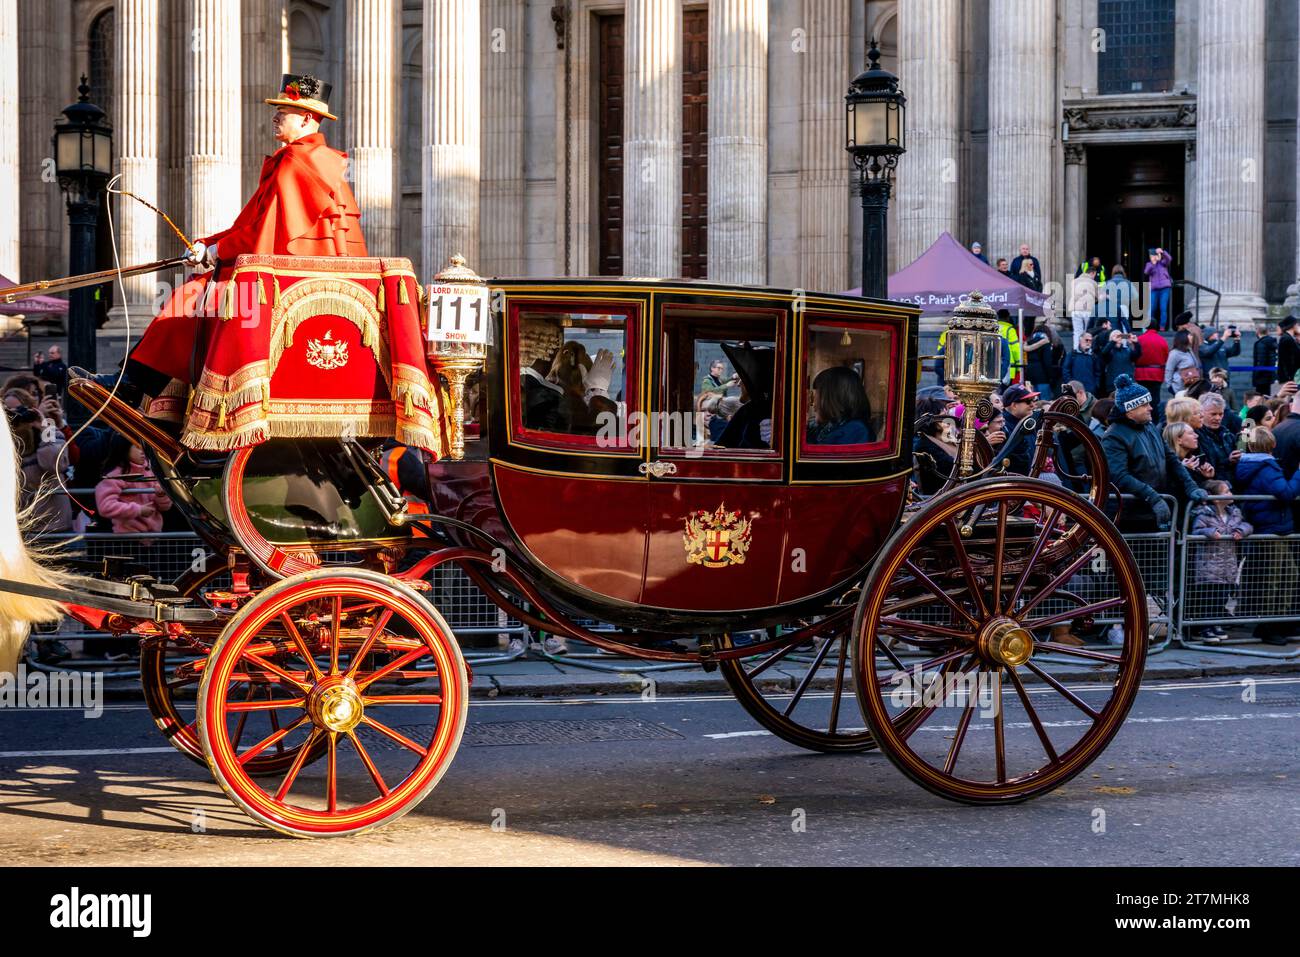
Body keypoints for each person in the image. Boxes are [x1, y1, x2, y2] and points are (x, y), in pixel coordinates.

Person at [76, 74, 368, 405]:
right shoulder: (314, 159)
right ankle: (138, 387)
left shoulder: (295, 162)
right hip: (293, 277)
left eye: (283, 112)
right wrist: (208, 244)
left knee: (190, 298)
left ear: (305, 118)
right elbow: (253, 224)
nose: (275, 117)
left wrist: (215, 251)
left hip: (279, 281)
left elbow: (264, 233)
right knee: (192, 296)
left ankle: (134, 386)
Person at [1101, 375, 1206, 531]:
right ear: (1130, 411)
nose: (1150, 408)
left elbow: (1171, 459)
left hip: (1153, 510)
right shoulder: (1113, 436)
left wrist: (1191, 486)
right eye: (1144, 405)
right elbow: (1119, 475)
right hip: (1129, 516)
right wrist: (1152, 497)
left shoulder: (1149, 427)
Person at [1232, 427, 1300, 644]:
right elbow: (1286, 493)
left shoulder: (1252, 464)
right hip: (1272, 528)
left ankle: (1276, 622)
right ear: (1272, 445)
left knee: (1286, 575)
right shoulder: (1266, 467)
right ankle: (1269, 625)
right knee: (1275, 578)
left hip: (1271, 526)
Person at [1188, 480, 1251, 643]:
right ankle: (1205, 627)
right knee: (1209, 598)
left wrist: (1241, 531)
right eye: (1226, 491)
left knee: (1223, 596)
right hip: (1209, 565)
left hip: (1228, 565)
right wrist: (1210, 532)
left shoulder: (1235, 513)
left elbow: (1247, 525)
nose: (1231, 493)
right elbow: (1196, 531)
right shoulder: (1204, 514)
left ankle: (1215, 623)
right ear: (1216, 498)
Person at [93, 438, 172, 535]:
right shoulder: (115, 476)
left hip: (153, 535)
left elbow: (165, 507)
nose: (143, 451)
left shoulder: (150, 472)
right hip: (127, 536)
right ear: (125, 449)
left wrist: (161, 495)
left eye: (144, 447)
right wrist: (138, 510)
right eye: (138, 447)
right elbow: (106, 506)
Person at [807, 366, 874, 445]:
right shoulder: (828, 426)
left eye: (816, 396)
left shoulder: (855, 430)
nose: (813, 404)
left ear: (832, 400)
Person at [1197, 393, 1242, 485]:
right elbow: (1205, 467)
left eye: (1221, 414)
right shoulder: (1196, 436)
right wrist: (1228, 461)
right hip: (1212, 487)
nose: (1218, 418)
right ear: (1201, 413)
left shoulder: (1228, 435)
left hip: (1232, 485)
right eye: (1213, 414)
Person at [999, 383, 1039, 474]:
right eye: (1028, 401)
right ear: (1014, 405)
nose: (1033, 405)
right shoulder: (1002, 426)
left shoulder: (1028, 422)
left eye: (1033, 400)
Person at [1163, 421, 1215, 488]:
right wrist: (1185, 470)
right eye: (1191, 433)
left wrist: (1206, 476)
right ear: (1178, 440)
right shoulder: (1167, 464)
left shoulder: (1192, 460)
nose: (1197, 436)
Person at [1021, 317, 1055, 400]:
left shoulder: (1029, 342)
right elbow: (1047, 362)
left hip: (1030, 376)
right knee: (1045, 401)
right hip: (1042, 377)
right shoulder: (1046, 342)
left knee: (1034, 401)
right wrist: (1051, 377)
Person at [1100, 327, 1140, 397]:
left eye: (1120, 336)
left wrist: (1136, 343)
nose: (1118, 338)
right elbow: (1104, 353)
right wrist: (1113, 342)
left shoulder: (1127, 350)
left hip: (1128, 385)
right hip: (1113, 386)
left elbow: (1137, 355)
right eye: (1116, 336)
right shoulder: (1109, 351)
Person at [1067, 268, 1100, 350]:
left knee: (1077, 332)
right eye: (1094, 275)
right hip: (1087, 309)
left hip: (1075, 309)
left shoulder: (1074, 281)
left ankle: (1076, 350)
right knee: (1088, 332)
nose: (1094, 277)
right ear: (1092, 273)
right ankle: (1087, 350)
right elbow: (1097, 297)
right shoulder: (1093, 283)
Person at [1164, 329, 1201, 398]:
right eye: (1189, 335)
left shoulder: (1189, 350)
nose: (1192, 337)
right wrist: (1169, 386)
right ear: (1183, 337)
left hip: (1191, 385)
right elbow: (1169, 370)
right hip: (1180, 387)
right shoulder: (1175, 353)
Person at [1143, 247, 1174, 331]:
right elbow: (1146, 272)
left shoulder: (1162, 263)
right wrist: (1153, 263)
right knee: (1152, 308)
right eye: (1151, 256)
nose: (1153, 257)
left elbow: (1169, 259)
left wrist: (1163, 252)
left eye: (1154, 255)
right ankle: (1150, 326)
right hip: (1154, 289)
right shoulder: (1149, 264)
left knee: (1163, 308)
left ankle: (1162, 327)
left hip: (1165, 288)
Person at [1061, 331, 1099, 396]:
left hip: (1090, 390)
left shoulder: (1094, 356)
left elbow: (1098, 372)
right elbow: (1065, 370)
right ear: (1080, 341)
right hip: (1075, 390)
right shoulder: (1072, 355)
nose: (1088, 342)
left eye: (1090, 341)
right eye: (1086, 340)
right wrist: (1070, 384)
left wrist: (1095, 385)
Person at [1098, 265, 1133, 331]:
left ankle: (1115, 337)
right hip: (1124, 306)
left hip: (1112, 307)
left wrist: (1108, 297)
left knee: (1113, 327)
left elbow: (1101, 297)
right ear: (1123, 272)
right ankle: (1124, 337)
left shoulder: (1107, 282)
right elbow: (1134, 296)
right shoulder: (1128, 283)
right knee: (1125, 327)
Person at [1252, 326, 1279, 395]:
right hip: (1273, 375)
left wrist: (1256, 376)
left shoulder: (1261, 343)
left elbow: (1261, 361)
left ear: (1257, 332)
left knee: (1262, 397)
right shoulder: (1274, 342)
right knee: (1272, 396)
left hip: (1262, 377)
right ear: (1267, 332)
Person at [1277, 315, 1300, 388]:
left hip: (1291, 376)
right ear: (1293, 325)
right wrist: (1290, 378)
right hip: (1290, 378)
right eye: (1297, 324)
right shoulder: (1286, 338)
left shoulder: (1290, 338)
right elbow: (1286, 360)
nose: (1298, 326)